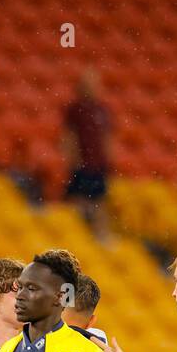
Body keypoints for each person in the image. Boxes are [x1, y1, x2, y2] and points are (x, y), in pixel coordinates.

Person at [62, 68, 113, 242]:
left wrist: (108, 159)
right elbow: (70, 136)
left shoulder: (103, 110)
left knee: (99, 201)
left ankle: (100, 237)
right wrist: (73, 160)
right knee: (77, 200)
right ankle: (74, 234)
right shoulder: (75, 110)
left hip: (98, 164)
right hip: (83, 163)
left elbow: (107, 137)